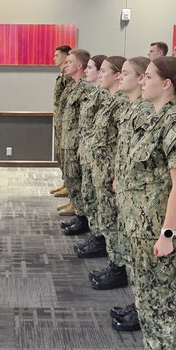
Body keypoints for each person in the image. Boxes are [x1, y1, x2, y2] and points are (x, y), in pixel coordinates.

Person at [117, 57, 176, 350]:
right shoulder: (155, 117)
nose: (143, 81)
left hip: (158, 228)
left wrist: (168, 234)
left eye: (148, 76)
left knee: (159, 300)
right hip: (140, 222)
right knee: (145, 297)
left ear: (167, 84)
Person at [93, 57, 152, 292]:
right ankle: (119, 270)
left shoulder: (144, 111)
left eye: (124, 73)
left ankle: (124, 278)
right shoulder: (131, 106)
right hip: (124, 183)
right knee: (122, 234)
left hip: (141, 192)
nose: (119, 77)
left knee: (139, 253)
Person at [82, 56, 131, 304]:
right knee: (107, 217)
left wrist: (116, 174)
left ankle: (118, 266)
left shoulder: (123, 104)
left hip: (112, 172)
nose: (99, 74)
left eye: (102, 70)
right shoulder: (110, 101)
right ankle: (114, 261)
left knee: (114, 221)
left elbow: (121, 144)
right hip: (101, 168)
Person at [71, 54, 108, 254]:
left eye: (95, 68)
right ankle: (95, 235)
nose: (87, 71)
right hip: (90, 153)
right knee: (90, 196)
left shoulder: (107, 98)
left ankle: (99, 240)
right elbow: (88, 127)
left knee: (101, 203)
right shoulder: (96, 94)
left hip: (103, 161)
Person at [57, 49, 92, 222]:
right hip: (67, 139)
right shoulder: (73, 85)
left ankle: (82, 216)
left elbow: (86, 118)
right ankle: (78, 211)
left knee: (78, 180)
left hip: (76, 142)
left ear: (79, 65)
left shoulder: (86, 88)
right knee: (71, 178)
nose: (66, 64)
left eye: (69, 62)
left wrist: (81, 143)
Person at [50, 44, 72, 197]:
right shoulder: (62, 75)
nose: (54, 58)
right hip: (60, 122)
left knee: (66, 157)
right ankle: (66, 184)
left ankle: (70, 188)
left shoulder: (69, 76)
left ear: (66, 56)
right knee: (61, 155)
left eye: (57, 55)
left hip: (66, 123)